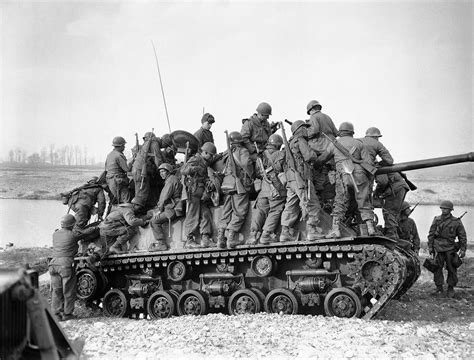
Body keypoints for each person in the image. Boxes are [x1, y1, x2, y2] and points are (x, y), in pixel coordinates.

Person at [316, 122, 375, 238]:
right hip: (360, 174)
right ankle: (370, 227)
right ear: (352, 132)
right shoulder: (359, 144)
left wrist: (316, 164)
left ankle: (335, 230)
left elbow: (322, 159)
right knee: (364, 202)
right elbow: (369, 163)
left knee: (340, 202)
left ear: (340, 132)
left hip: (343, 174)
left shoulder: (334, 144)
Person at [280, 121, 324, 242]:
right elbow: (310, 156)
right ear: (299, 129)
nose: (307, 130)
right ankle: (312, 230)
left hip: (290, 179)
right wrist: (317, 154)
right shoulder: (300, 140)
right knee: (312, 202)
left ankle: (285, 232)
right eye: (305, 128)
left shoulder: (289, 144)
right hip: (301, 178)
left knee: (291, 204)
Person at [217, 132, 254, 249]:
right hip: (239, 185)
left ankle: (220, 238)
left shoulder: (227, 153)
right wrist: (252, 174)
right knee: (240, 211)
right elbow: (246, 164)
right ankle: (231, 238)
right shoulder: (242, 151)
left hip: (227, 186)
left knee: (226, 211)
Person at [249, 133, 286, 245]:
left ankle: (253, 235)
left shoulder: (260, 156)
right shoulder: (281, 154)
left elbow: (258, 173)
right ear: (278, 145)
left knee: (260, 211)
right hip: (276, 187)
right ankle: (266, 234)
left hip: (263, 189)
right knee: (275, 209)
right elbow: (283, 170)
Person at [49, 214, 87, 321]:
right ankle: (67, 314)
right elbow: (85, 234)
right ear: (72, 224)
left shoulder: (55, 234)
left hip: (53, 264)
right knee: (69, 290)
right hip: (65, 265)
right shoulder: (73, 235)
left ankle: (56, 314)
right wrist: (95, 228)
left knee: (56, 290)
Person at [427, 200, 467, 298]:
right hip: (438, 247)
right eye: (443, 208)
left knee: (452, 268)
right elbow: (431, 234)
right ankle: (439, 287)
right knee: (437, 268)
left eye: (446, 209)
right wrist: (430, 247)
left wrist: (463, 249)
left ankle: (451, 288)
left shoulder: (456, 221)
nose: (444, 210)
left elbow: (462, 236)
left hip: (450, 248)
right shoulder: (436, 219)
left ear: (450, 210)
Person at [181, 142, 217, 248]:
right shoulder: (196, 159)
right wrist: (194, 169)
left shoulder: (204, 162)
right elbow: (183, 170)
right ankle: (189, 240)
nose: (211, 157)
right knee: (192, 215)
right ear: (205, 152)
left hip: (201, 192)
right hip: (194, 191)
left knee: (205, 214)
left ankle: (205, 238)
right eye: (210, 155)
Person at [306, 100, 338, 213]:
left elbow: (313, 131)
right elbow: (336, 132)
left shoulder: (314, 117)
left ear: (311, 110)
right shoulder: (327, 117)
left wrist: (304, 132)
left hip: (319, 149)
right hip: (331, 149)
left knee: (318, 175)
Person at [150, 163, 182, 251]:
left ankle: (161, 244)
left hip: (173, 208)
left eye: (163, 171)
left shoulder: (170, 181)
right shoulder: (172, 179)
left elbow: (164, 196)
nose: (161, 174)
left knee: (154, 221)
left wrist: (159, 210)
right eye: (160, 172)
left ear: (168, 172)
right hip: (174, 206)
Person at [131, 132, 164, 210]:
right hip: (142, 171)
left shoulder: (145, 145)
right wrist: (163, 169)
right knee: (142, 194)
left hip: (136, 170)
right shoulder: (154, 143)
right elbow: (158, 159)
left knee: (139, 192)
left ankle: (137, 212)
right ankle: (132, 214)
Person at [105, 136, 131, 204]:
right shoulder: (119, 155)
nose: (124, 147)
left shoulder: (110, 155)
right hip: (118, 180)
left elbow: (106, 168)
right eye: (124, 145)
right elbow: (126, 169)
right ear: (121, 145)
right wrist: (132, 162)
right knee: (125, 200)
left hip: (110, 181)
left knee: (115, 201)